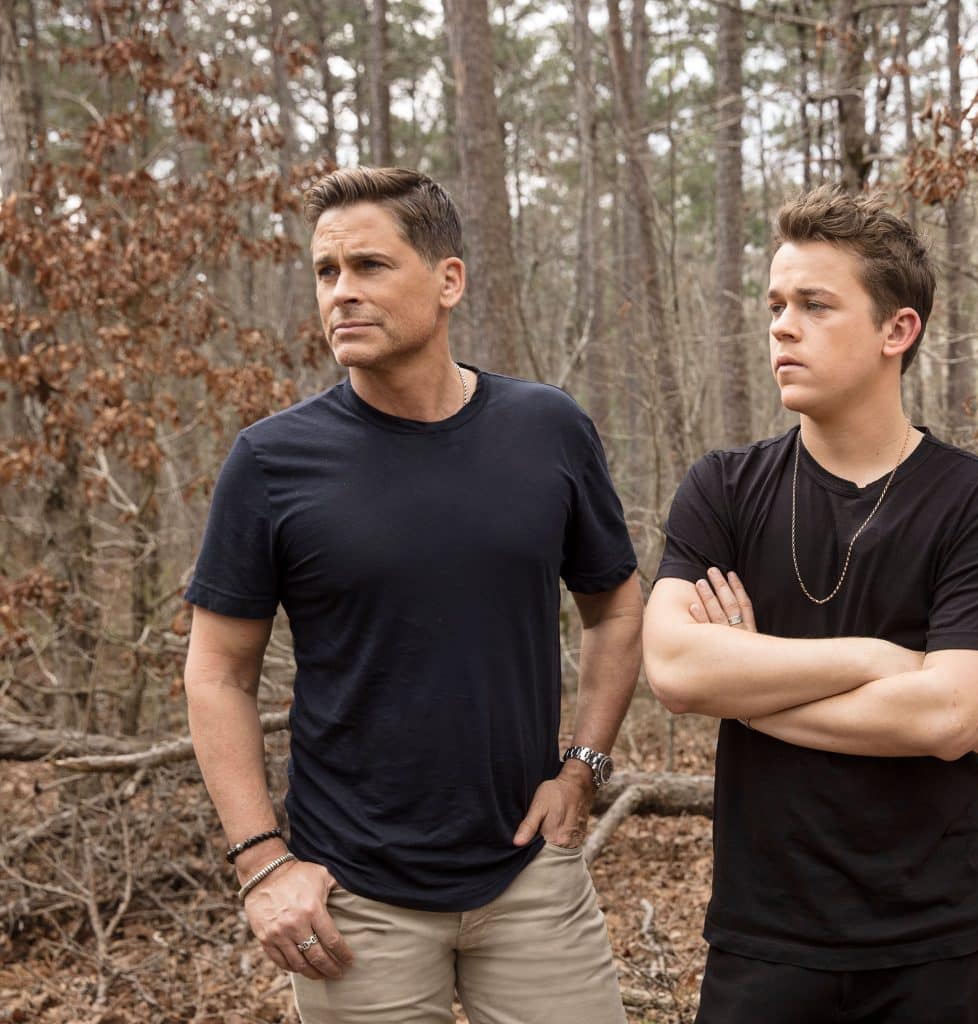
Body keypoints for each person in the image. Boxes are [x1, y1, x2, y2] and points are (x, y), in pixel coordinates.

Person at [183, 167, 640, 1024]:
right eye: (326, 273)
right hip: (353, 902)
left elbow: (616, 607)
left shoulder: (548, 429)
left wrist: (583, 766)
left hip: (530, 875)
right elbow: (216, 672)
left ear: (449, 280)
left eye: (369, 266)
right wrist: (261, 862)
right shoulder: (272, 462)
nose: (342, 294)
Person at [643, 185, 978, 1024]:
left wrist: (746, 696)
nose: (782, 325)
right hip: (762, 932)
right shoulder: (724, 486)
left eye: (816, 305)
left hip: (932, 938)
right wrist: (878, 660)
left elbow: (948, 719)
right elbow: (675, 668)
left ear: (898, 331)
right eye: (777, 304)